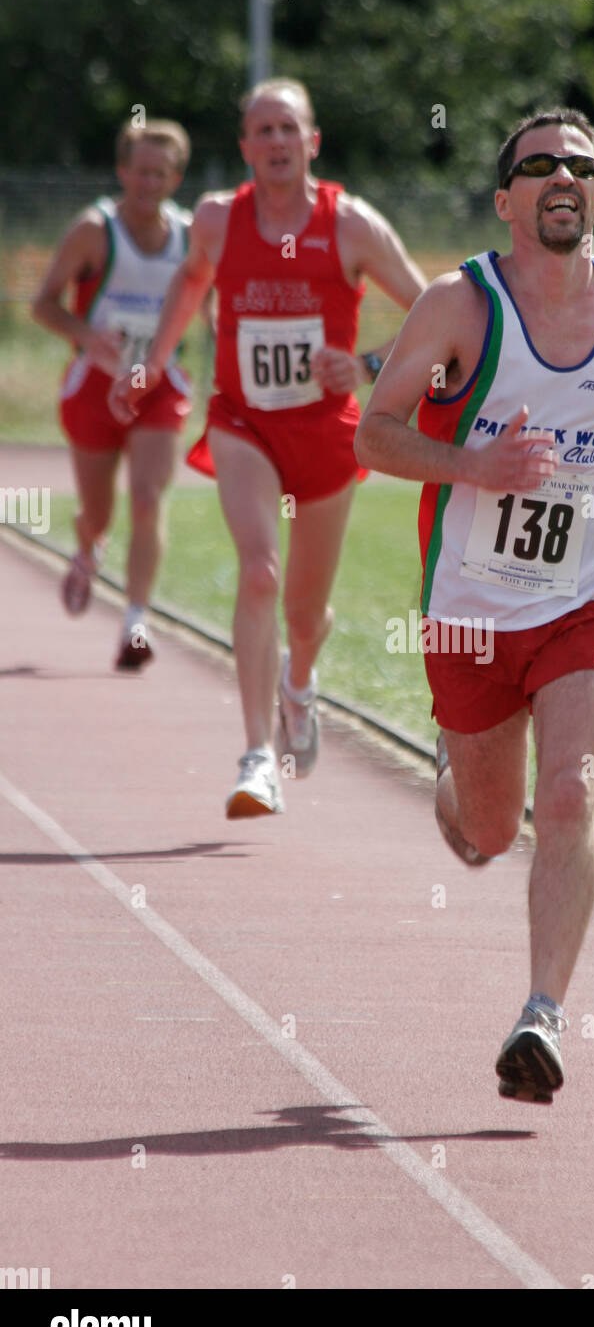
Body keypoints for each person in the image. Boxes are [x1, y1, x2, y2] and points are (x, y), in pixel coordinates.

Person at [355, 108, 594, 1104]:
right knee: (485, 831)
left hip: (587, 597)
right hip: (469, 605)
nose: (561, 177)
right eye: (537, 164)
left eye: (580, 167)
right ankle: (455, 773)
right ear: (505, 197)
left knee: (571, 791)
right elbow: (374, 436)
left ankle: (540, 1015)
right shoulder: (457, 307)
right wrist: (475, 463)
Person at [110, 78, 426, 817]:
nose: (278, 142)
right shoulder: (218, 220)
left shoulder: (351, 225)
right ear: (245, 147)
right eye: (263, 130)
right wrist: (151, 362)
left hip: (325, 433)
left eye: (290, 128)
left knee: (307, 612)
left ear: (312, 142)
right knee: (258, 572)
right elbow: (189, 286)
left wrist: (370, 365)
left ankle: (300, 682)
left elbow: (437, 310)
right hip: (242, 422)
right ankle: (257, 758)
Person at [32, 118, 193, 669]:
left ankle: (135, 621)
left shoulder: (192, 236)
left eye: (161, 173)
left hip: (159, 386)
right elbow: (43, 302)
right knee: (97, 512)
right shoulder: (92, 230)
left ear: (175, 178)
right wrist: (86, 336)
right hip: (95, 389)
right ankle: (88, 546)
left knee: (148, 500)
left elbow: (213, 311)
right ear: (123, 171)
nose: (149, 183)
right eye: (140, 171)